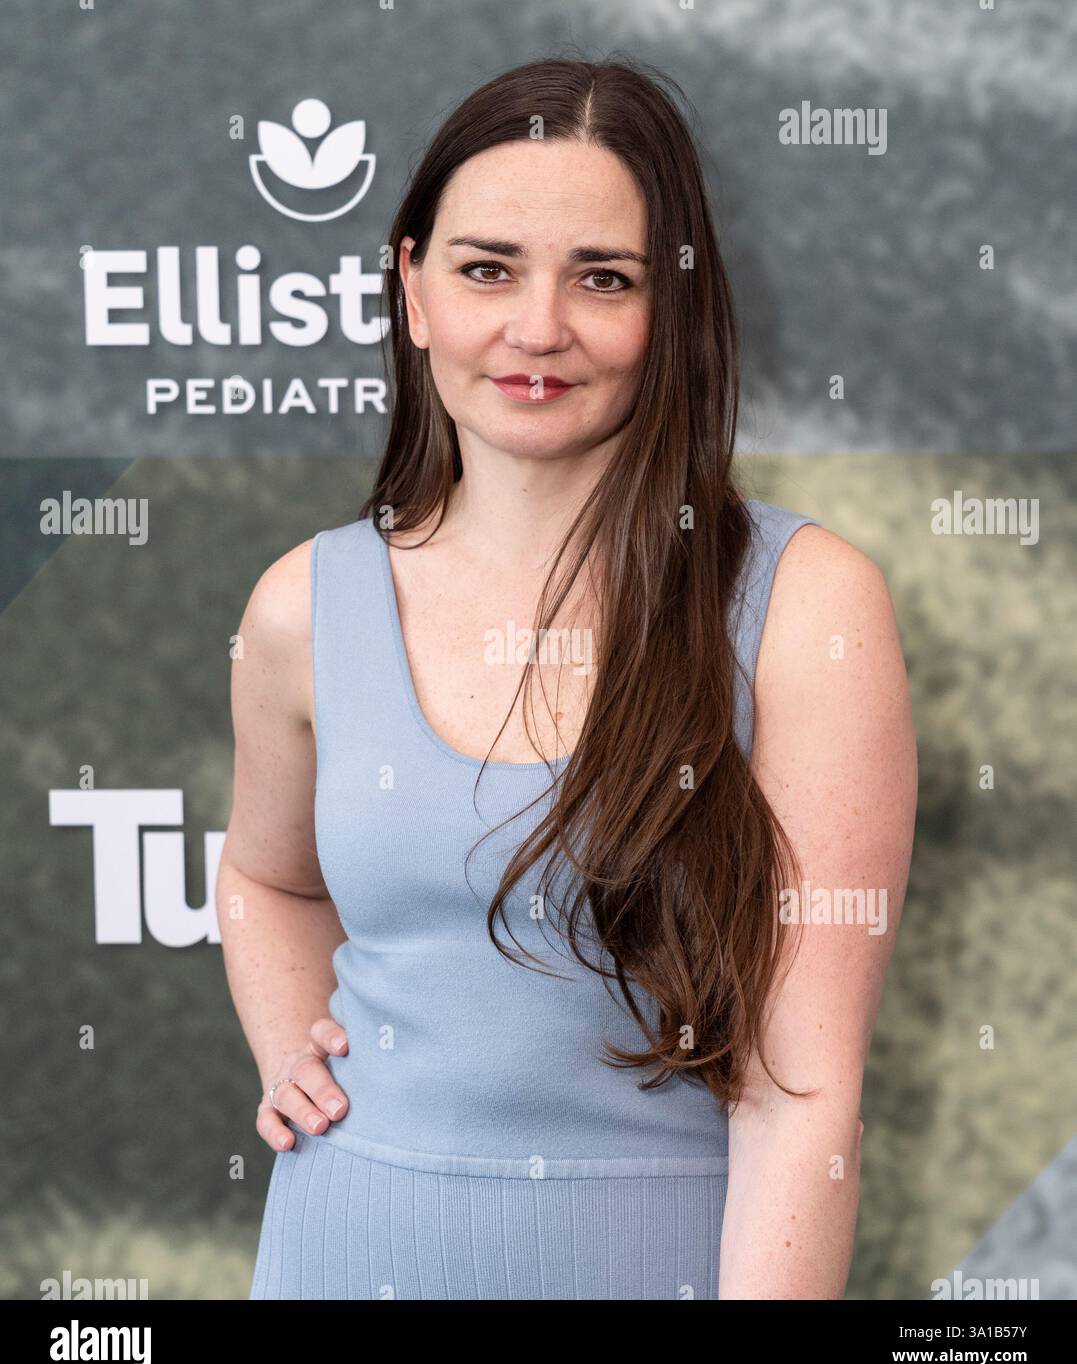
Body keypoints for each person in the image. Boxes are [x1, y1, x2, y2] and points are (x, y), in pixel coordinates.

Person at [218, 54, 918, 1300]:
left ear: (675, 311)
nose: (537, 328)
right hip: (339, 1246)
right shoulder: (303, 603)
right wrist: (293, 1051)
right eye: (488, 269)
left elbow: (802, 1101)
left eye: (603, 279)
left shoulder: (807, 607)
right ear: (414, 291)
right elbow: (267, 874)